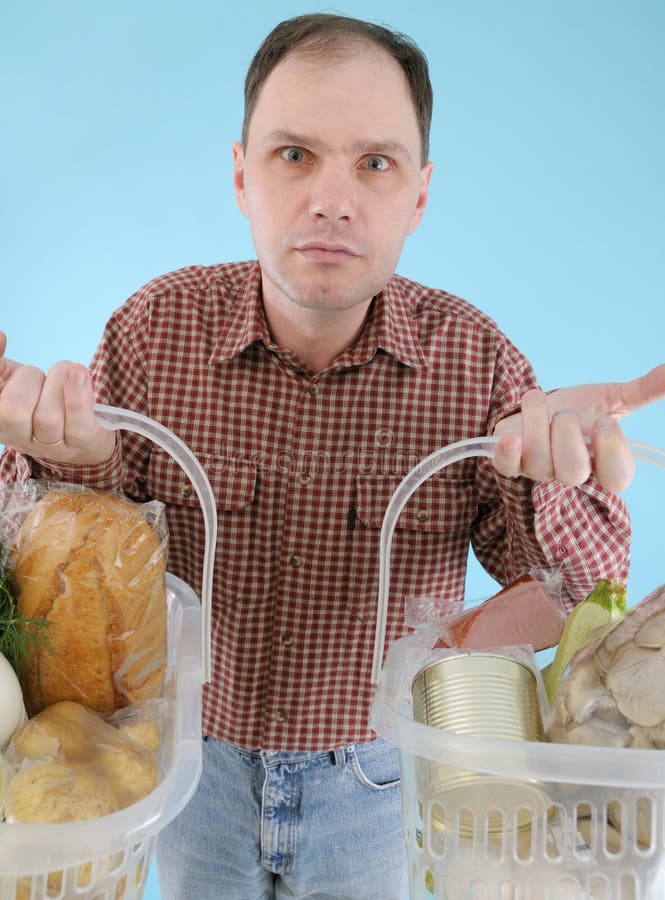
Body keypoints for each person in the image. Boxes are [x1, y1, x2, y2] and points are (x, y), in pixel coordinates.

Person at [0, 12, 664, 899]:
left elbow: (576, 597)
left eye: (375, 163)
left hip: (378, 785)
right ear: (241, 175)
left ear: (419, 195)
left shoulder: (477, 363)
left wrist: (554, 480)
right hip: (193, 773)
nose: (331, 198)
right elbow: (62, 558)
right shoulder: (154, 329)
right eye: (293, 155)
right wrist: (67, 459)